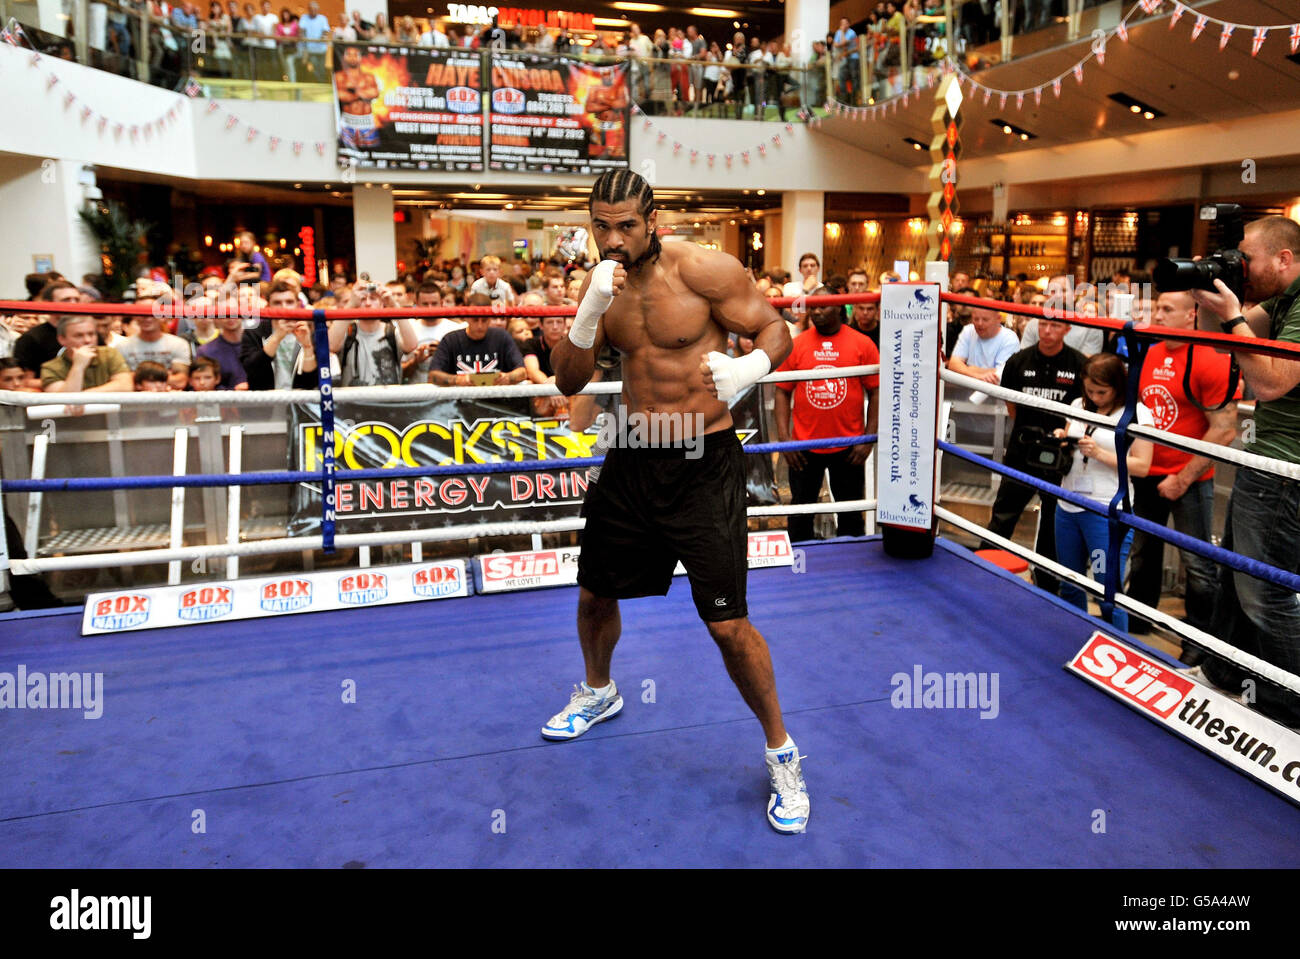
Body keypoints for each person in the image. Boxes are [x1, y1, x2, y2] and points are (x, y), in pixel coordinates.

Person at [543, 169, 808, 834]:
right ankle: (599, 690)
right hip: (634, 450)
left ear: (652, 219)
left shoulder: (704, 270)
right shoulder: (603, 282)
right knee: (593, 592)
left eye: (625, 225)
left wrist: (751, 367)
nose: (612, 238)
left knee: (727, 624)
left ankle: (781, 750)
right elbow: (566, 379)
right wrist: (588, 313)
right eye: (600, 225)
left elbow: (776, 328)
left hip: (703, 462)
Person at [1188, 214, 1300, 726]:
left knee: (1266, 590)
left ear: (1284, 258)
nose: (1242, 265)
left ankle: (1287, 705)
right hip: (1267, 462)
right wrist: (1213, 299)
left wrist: (1234, 318)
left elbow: (1273, 383)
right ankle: (1227, 670)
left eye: (1247, 256)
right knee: (1238, 572)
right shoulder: (1279, 302)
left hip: (1285, 468)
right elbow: (1218, 343)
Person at [1127, 290, 1239, 639]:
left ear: (1192, 314)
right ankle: (1138, 620)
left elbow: (1225, 430)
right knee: (1142, 551)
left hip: (1190, 476)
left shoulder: (1211, 357)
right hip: (1147, 471)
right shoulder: (1151, 351)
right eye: (1156, 307)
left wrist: (1183, 477)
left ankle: (1201, 639)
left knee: (1197, 561)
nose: (1157, 315)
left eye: (1167, 309)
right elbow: (1142, 409)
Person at [983, 316, 1087, 594]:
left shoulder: (1079, 365)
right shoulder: (1019, 361)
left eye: (1054, 326)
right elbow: (1011, 405)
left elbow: (1084, 410)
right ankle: (983, 573)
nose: (1047, 331)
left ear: (1067, 329)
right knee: (1003, 514)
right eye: (1042, 325)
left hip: (1059, 455)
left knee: (1053, 523)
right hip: (1022, 450)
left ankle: (1047, 584)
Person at [1052, 353, 1154, 630]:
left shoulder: (1138, 414)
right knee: (1069, 581)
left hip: (1106, 511)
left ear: (1119, 386)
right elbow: (1070, 444)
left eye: (1102, 391)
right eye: (1089, 390)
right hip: (1068, 504)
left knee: (1107, 590)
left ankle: (1119, 652)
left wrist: (1098, 453)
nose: (1095, 396)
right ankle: (1074, 639)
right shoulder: (1076, 404)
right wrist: (1063, 440)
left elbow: (1143, 466)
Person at [774, 287, 879, 542]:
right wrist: (785, 439)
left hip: (849, 445)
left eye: (823, 306)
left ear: (840, 308)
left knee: (850, 515)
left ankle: (849, 569)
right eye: (813, 306)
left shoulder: (862, 343)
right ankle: (799, 572)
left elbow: (877, 392)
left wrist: (868, 438)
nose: (817, 311)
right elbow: (781, 391)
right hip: (804, 446)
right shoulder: (796, 344)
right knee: (800, 514)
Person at [429, 293, 526, 385]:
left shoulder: (502, 337)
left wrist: (507, 377)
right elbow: (433, 375)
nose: (480, 326)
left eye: (484, 320)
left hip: (495, 400)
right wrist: (457, 380)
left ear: (490, 318)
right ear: (466, 317)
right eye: (475, 320)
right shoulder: (450, 340)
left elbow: (522, 372)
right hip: (460, 400)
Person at [41, 316, 133, 393]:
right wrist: (78, 367)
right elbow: (64, 401)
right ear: (62, 340)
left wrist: (85, 396)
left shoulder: (110, 354)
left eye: (91, 334)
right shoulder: (50, 368)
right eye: (79, 335)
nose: (87, 340)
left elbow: (125, 386)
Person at [335, 45, 381, 151]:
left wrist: (354, 92)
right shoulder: (339, 76)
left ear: (360, 58)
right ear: (344, 58)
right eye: (349, 55)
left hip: (366, 123)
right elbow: (341, 95)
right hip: (347, 122)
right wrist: (361, 93)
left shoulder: (369, 77)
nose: (352, 58)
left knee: (371, 152)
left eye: (355, 55)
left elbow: (374, 93)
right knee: (345, 154)